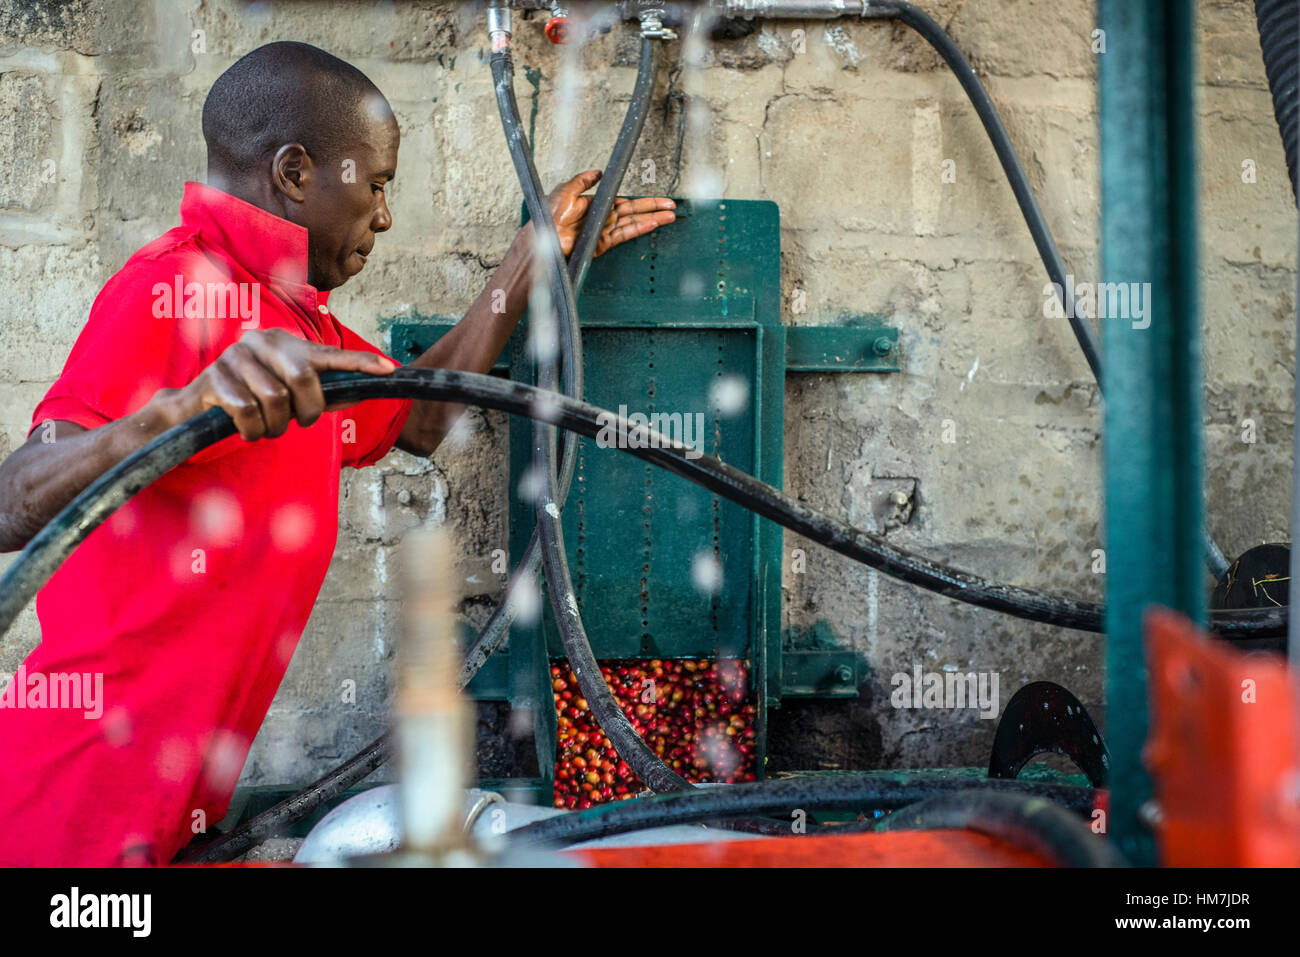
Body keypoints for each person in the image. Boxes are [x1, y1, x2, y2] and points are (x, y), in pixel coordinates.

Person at [0, 40, 675, 866]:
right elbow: (12, 503)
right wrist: (186, 411)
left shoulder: (298, 326)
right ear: (293, 172)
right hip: (62, 821)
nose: (383, 216)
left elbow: (420, 419)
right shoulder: (169, 291)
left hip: (164, 823)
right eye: (376, 184)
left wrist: (530, 258)